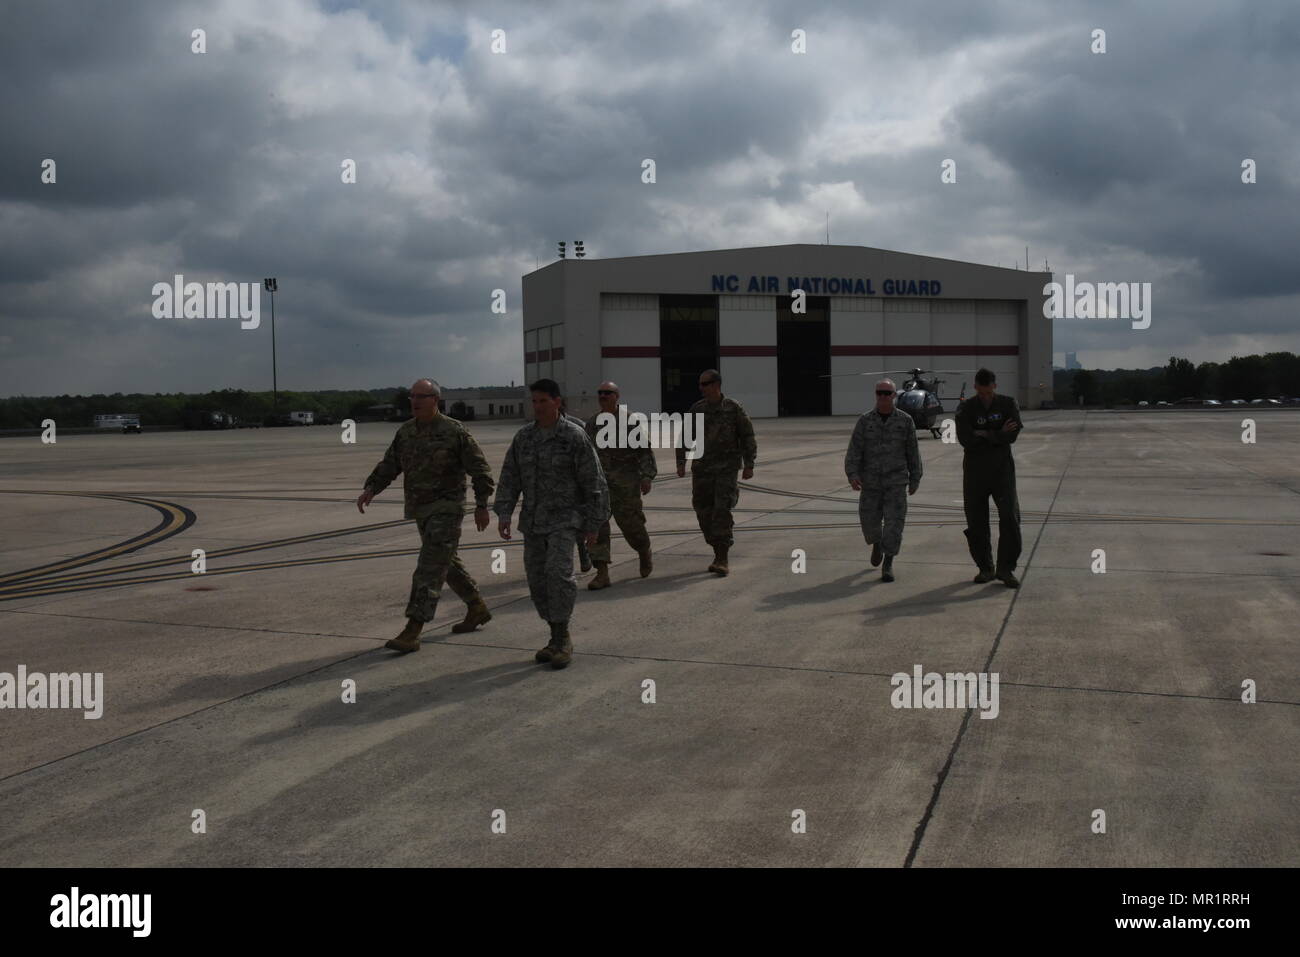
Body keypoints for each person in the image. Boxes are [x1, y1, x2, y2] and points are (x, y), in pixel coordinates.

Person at [356, 378, 494, 653]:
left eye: (422, 396)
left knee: (429, 568)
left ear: (436, 400)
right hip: (420, 510)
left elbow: (480, 470)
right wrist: (371, 488)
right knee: (447, 564)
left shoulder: (454, 431)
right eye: (412, 397)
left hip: (447, 509)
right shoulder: (406, 432)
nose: (415, 402)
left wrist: (481, 505)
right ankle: (477, 607)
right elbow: (390, 464)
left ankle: (413, 629)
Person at [494, 379, 609, 668]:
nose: (538, 407)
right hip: (533, 522)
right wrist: (505, 513)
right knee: (538, 582)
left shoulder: (573, 436)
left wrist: (593, 523)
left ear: (557, 402)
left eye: (543, 401)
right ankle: (553, 633)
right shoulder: (524, 438)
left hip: (565, 520)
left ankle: (562, 637)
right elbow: (510, 477)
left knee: (558, 575)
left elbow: (592, 481)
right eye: (534, 402)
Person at [674, 369, 757, 576]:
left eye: (705, 384)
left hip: (726, 470)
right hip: (702, 470)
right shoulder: (697, 409)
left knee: (722, 511)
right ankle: (716, 546)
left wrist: (749, 464)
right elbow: (685, 437)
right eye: (700, 384)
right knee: (703, 511)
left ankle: (722, 558)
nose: (701, 388)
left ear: (716, 384)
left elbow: (747, 436)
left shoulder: (733, 408)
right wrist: (681, 461)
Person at [844, 378, 922, 582]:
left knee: (894, 524)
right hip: (870, 483)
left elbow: (913, 452)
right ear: (875, 395)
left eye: (887, 393)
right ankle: (876, 543)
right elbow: (854, 450)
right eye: (880, 392)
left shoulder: (905, 421)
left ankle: (888, 563)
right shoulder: (865, 421)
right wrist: (852, 474)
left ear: (894, 396)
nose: (883, 396)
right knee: (869, 522)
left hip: (896, 481)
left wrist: (915, 478)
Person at [585, 380, 656, 588]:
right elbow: (586, 455)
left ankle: (644, 550)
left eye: (607, 393)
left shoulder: (629, 421)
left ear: (617, 397)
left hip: (626, 484)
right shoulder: (592, 423)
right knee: (597, 527)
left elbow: (644, 450)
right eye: (600, 393)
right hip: (599, 486)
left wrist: (646, 476)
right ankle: (602, 573)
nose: (603, 396)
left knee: (631, 525)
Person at [955, 367, 1023, 587]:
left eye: (988, 392)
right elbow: (966, 438)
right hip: (975, 473)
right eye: (981, 392)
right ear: (975, 387)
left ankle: (1006, 569)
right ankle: (985, 568)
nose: (985, 396)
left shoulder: (1007, 404)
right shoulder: (966, 408)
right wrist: (998, 434)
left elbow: (1012, 435)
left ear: (995, 386)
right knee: (976, 521)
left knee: (1010, 518)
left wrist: (983, 433)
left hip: (1002, 471)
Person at [559, 398, 594, 574]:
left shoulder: (577, 426)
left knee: (579, 524)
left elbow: (590, 453)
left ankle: (584, 554)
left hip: (576, 484)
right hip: (552, 488)